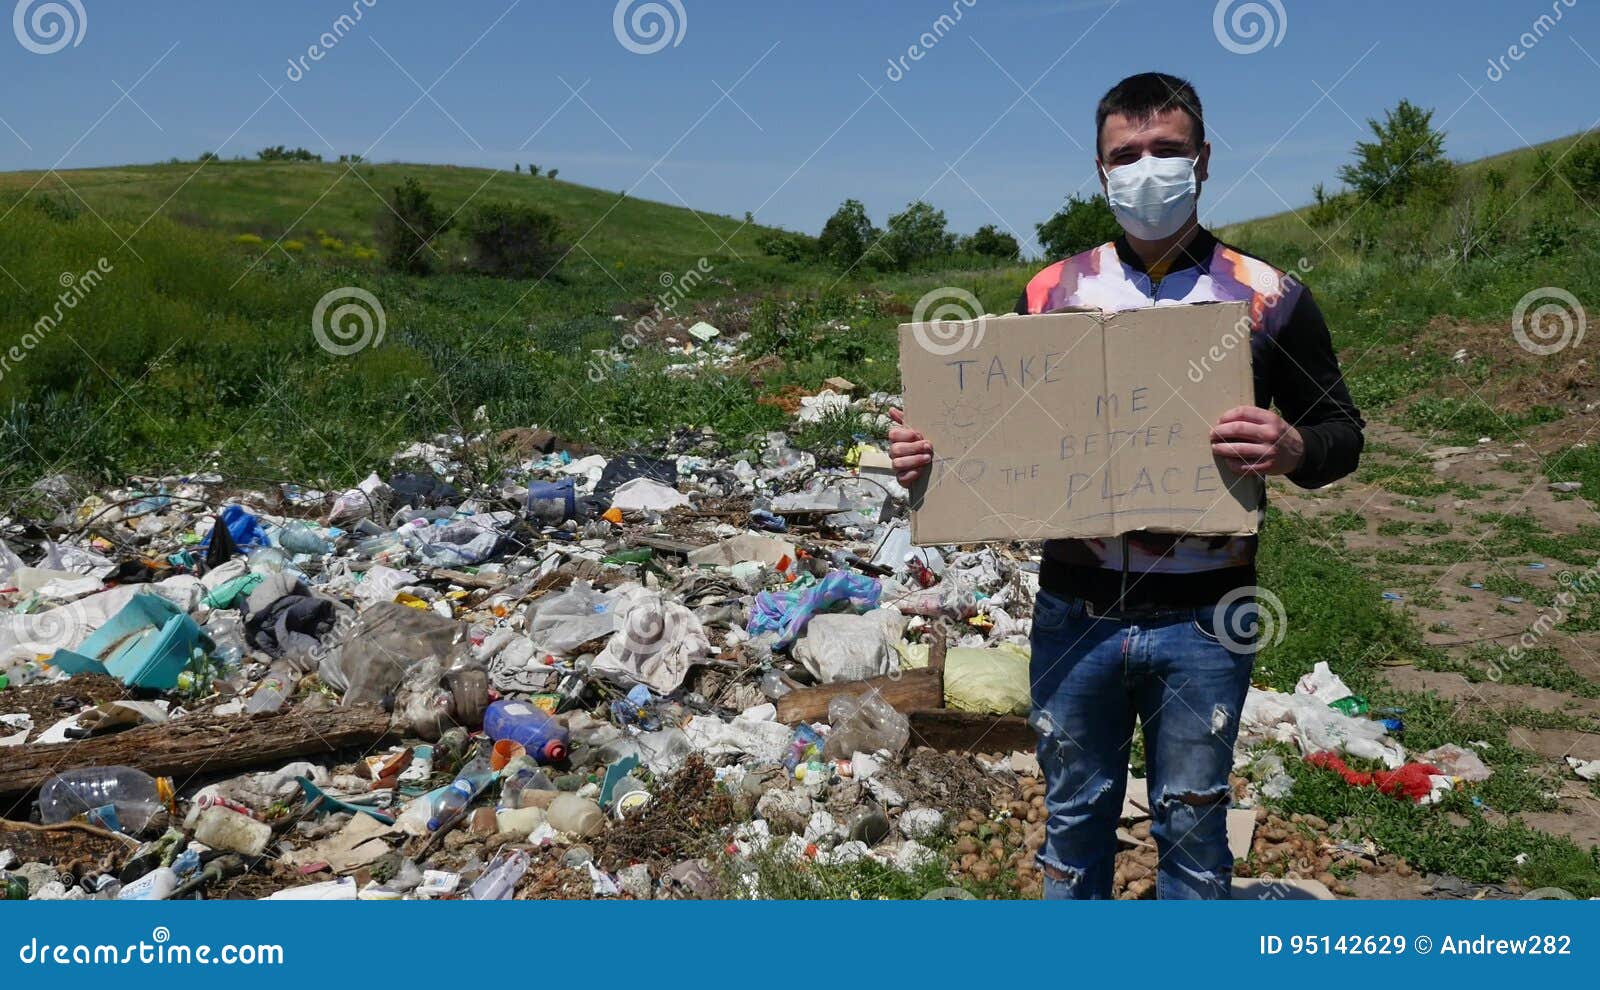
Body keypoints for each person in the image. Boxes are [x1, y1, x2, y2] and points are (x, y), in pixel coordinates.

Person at [888, 72, 1364, 899]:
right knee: (1073, 822)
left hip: (1208, 617)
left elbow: (1343, 435)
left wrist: (1292, 446)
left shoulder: (1271, 297)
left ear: (1204, 160)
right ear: (1100, 169)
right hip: (1076, 611)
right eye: (1127, 154)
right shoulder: (1048, 296)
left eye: (1167, 151)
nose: (1148, 169)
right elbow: (998, 434)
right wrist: (930, 455)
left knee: (1194, 826)